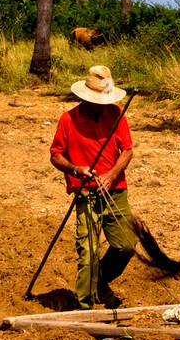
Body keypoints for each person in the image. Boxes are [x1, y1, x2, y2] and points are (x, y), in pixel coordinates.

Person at [49, 64, 137, 309]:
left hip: (116, 190)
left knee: (126, 245)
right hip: (86, 192)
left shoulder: (117, 115)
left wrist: (111, 174)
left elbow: (127, 150)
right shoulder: (68, 119)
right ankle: (84, 305)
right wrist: (76, 169)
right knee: (88, 252)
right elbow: (55, 155)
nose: (102, 104)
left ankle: (99, 281)